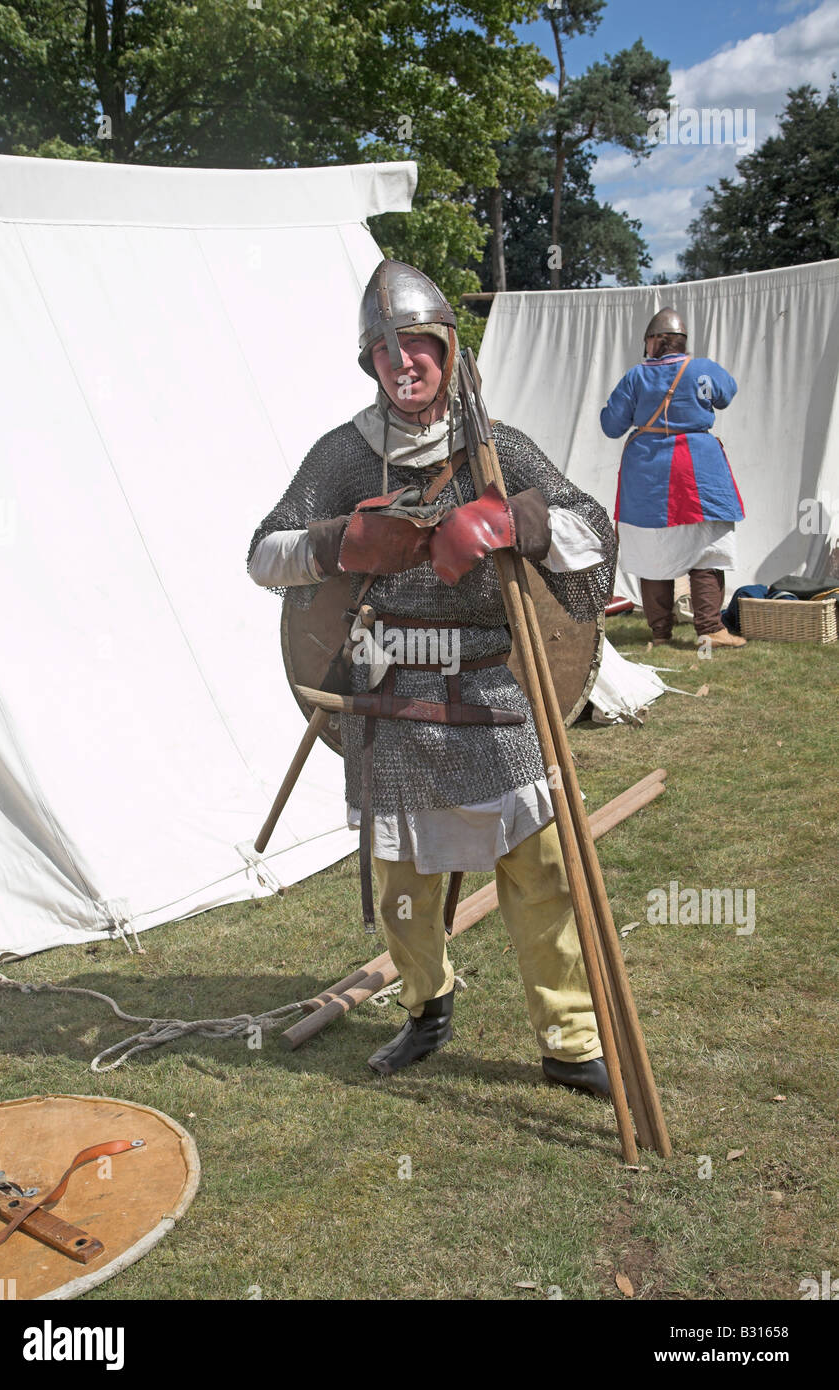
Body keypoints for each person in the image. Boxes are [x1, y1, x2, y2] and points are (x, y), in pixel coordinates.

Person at [247, 260, 617, 1098]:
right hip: (392, 699)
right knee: (405, 886)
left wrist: (514, 519)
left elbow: (590, 531)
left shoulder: (497, 448)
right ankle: (425, 1007)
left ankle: (570, 1039)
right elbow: (262, 556)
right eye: (387, 352)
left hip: (491, 690)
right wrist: (339, 541)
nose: (404, 363)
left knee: (545, 867)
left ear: (447, 351)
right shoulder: (344, 453)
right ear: (371, 363)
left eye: (418, 346)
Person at [601, 308, 746, 648]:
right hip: (698, 470)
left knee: (653, 550)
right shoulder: (701, 371)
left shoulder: (636, 377)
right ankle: (709, 630)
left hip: (649, 471)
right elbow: (725, 394)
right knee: (705, 547)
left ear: (656, 341)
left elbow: (612, 425)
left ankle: (661, 634)